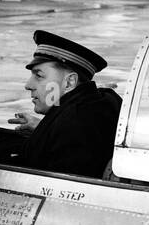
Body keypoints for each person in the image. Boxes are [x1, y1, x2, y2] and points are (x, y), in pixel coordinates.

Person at [17, 30, 119, 177]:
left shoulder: (76, 122)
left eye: (38, 75)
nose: (28, 85)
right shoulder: (95, 103)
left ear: (69, 82)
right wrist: (44, 128)